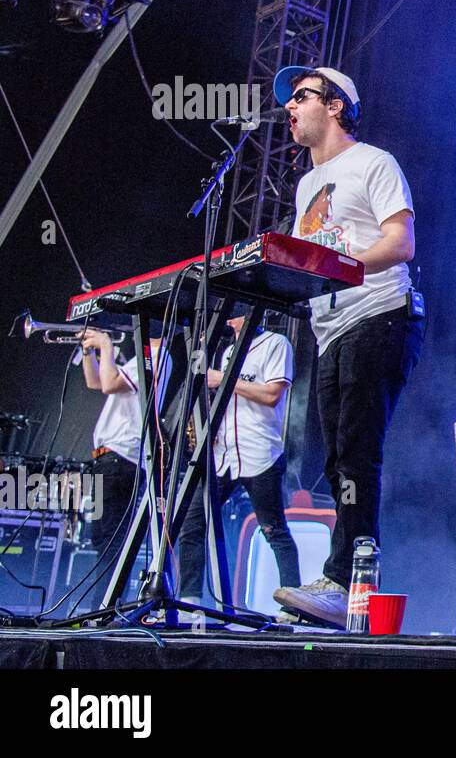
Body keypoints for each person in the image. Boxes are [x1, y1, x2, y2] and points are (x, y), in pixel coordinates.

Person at [269, 66, 423, 627]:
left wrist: (338, 267)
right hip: (331, 330)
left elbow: (400, 242)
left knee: (357, 451)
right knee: (336, 460)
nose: (289, 106)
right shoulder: (307, 184)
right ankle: (350, 581)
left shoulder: (373, 162)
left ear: (336, 106)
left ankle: (345, 581)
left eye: (302, 96)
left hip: (379, 315)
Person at [176, 310, 300, 609]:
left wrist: (225, 379)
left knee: (274, 530)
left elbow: (272, 394)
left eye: (235, 315)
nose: (229, 320)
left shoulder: (276, 343)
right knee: (192, 524)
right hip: (224, 456)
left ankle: (295, 606)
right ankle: (189, 600)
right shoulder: (230, 350)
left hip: (260, 453)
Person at [77, 328, 171, 562]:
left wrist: (106, 345)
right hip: (109, 458)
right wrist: (87, 351)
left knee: (110, 539)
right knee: (100, 537)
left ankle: (107, 599)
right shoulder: (142, 357)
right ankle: (104, 598)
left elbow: (109, 384)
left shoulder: (155, 356)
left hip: (120, 459)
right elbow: (95, 382)